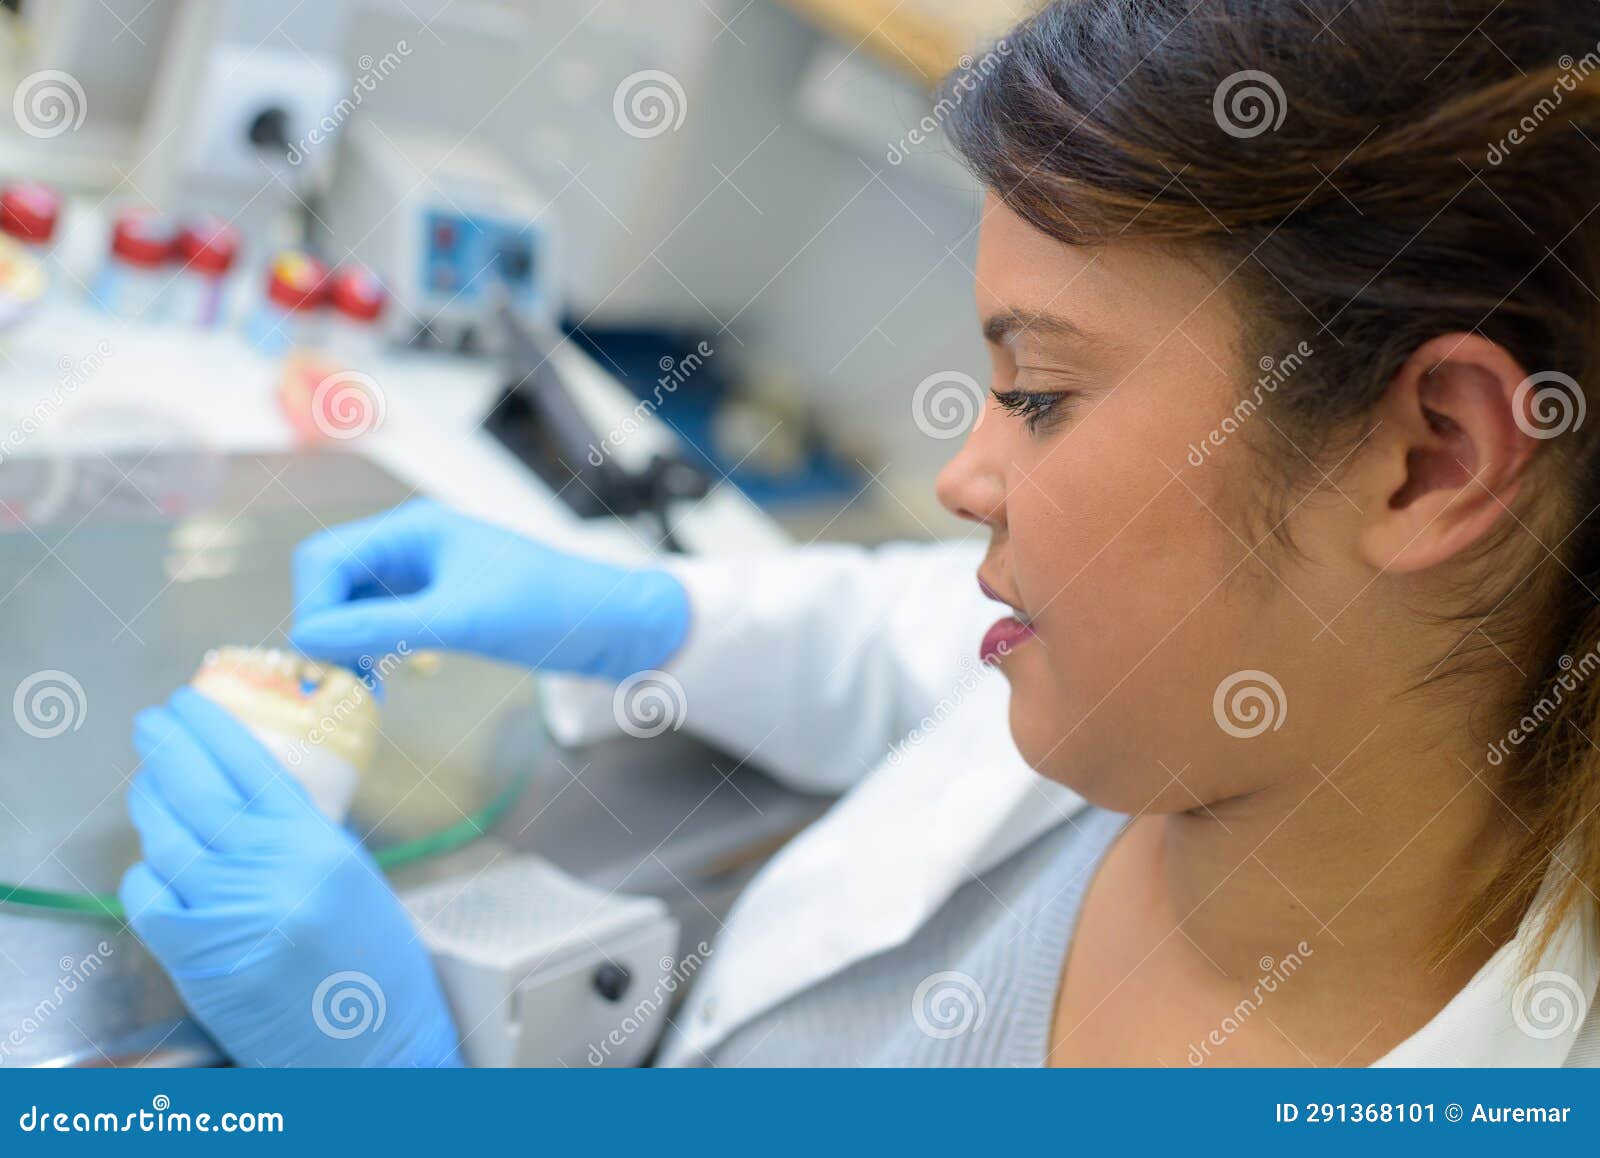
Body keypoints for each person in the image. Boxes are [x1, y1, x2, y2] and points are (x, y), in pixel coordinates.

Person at [121, 0, 1600, 1066]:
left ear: (1431, 459)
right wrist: (645, 618)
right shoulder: (1180, 705)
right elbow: (925, 644)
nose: (966, 474)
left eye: (1038, 391)